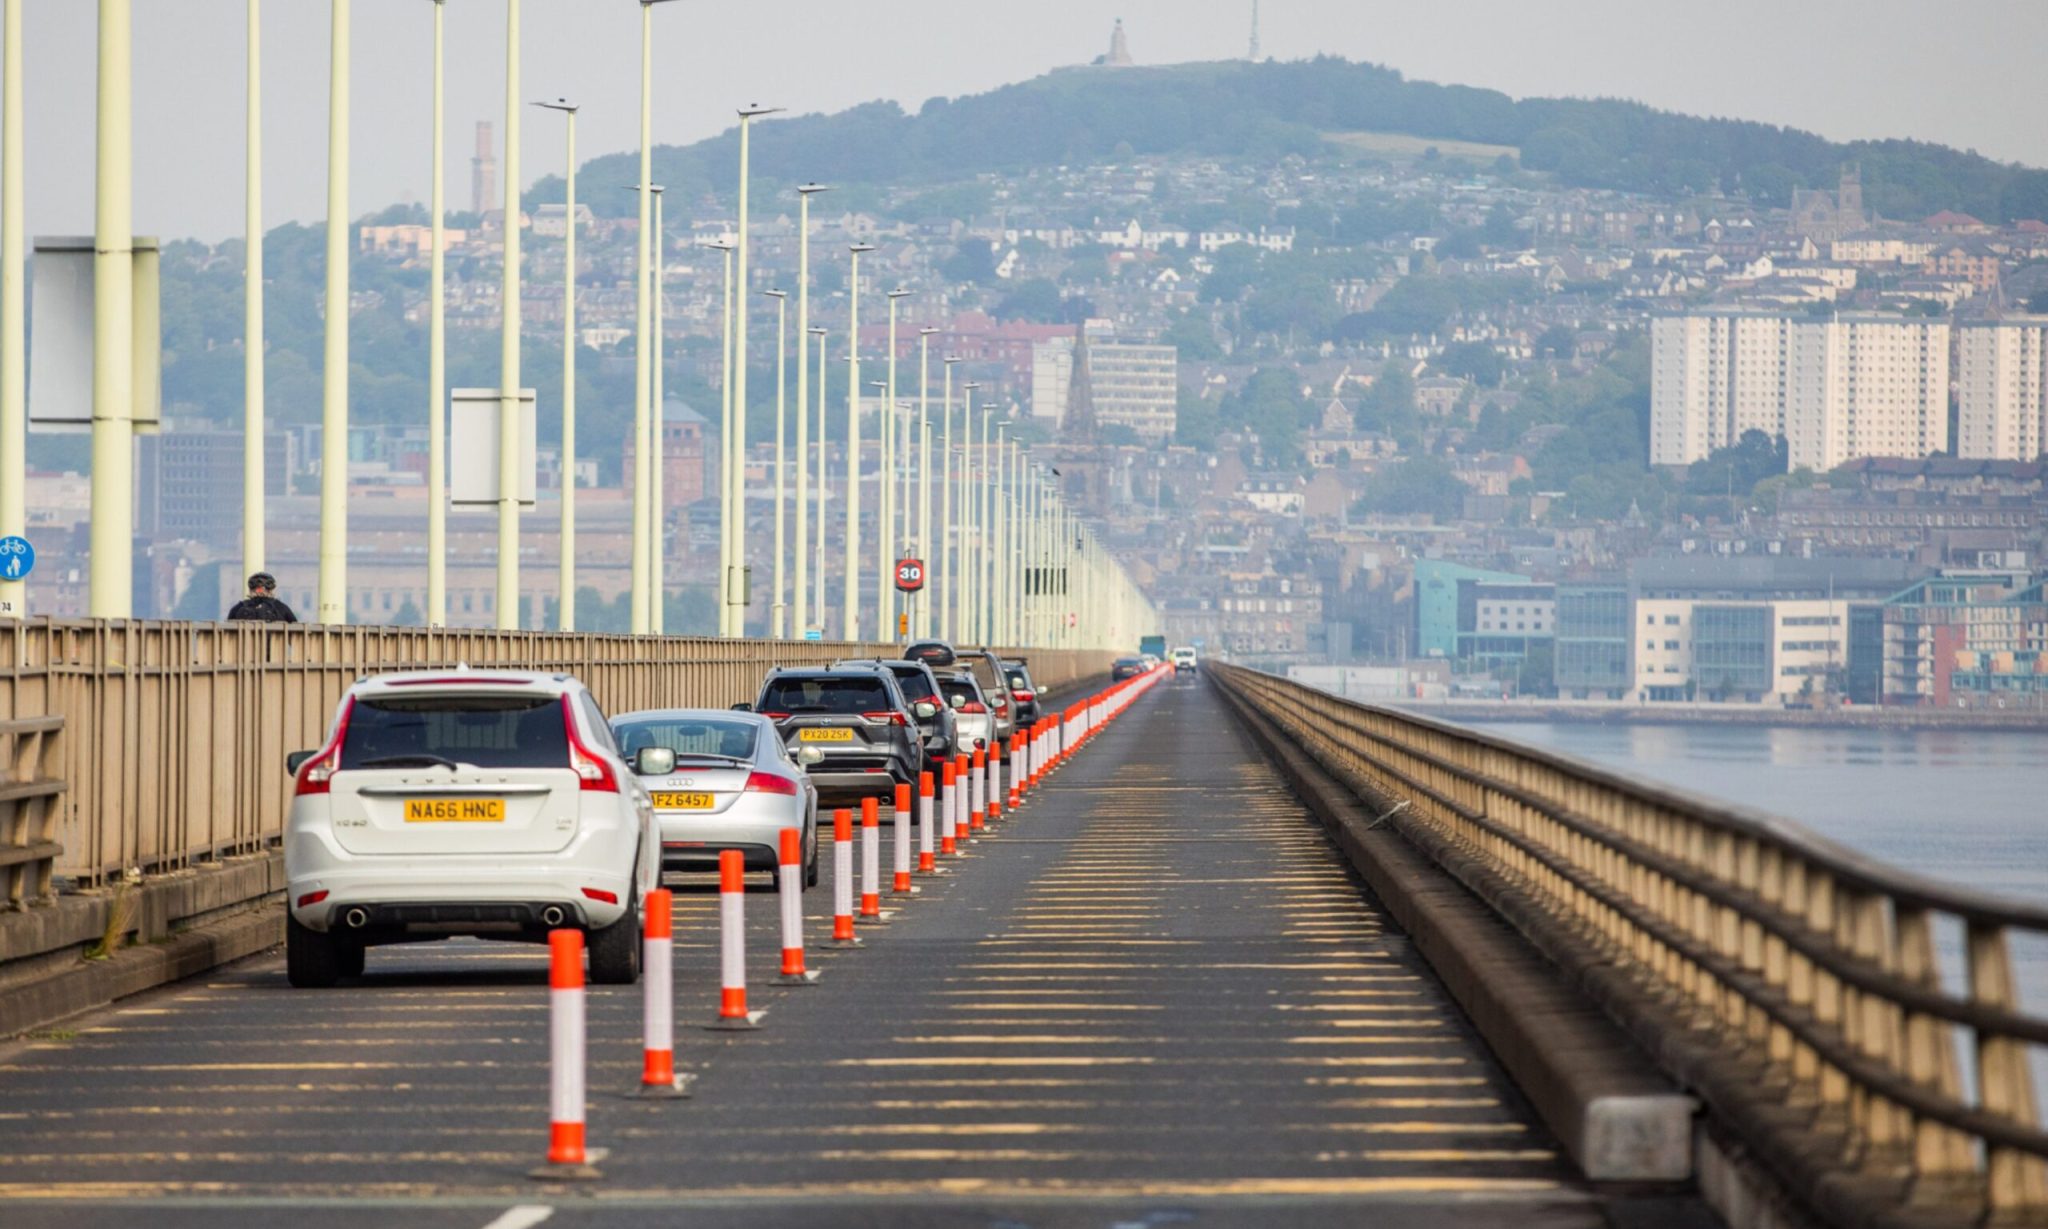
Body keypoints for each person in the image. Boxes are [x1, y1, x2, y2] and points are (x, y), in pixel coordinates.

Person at [226, 572, 297, 623]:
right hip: (273, 644)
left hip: (246, 644)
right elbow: (296, 635)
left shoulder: (238, 608)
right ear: (272, 590)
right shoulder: (281, 608)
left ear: (250, 589)